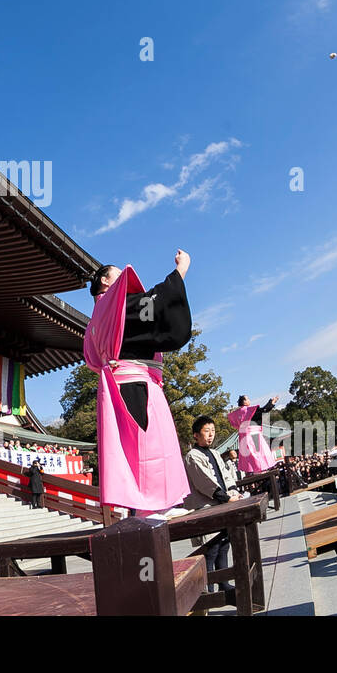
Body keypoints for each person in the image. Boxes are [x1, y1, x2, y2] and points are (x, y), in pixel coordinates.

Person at [83, 252, 193, 519]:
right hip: (134, 382)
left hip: (118, 384)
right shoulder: (115, 305)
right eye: (117, 274)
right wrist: (180, 272)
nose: (124, 278)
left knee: (135, 446)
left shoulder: (96, 321)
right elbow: (157, 302)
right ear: (105, 282)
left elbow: (93, 360)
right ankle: (149, 506)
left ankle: (147, 505)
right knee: (147, 444)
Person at [183, 415, 245, 595]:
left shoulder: (216, 453)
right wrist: (225, 497)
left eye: (213, 431)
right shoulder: (192, 456)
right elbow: (205, 483)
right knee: (211, 547)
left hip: (222, 503)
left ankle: (223, 582)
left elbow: (227, 476)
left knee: (224, 543)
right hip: (206, 506)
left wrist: (233, 492)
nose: (210, 435)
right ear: (196, 435)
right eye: (206, 431)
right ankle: (208, 586)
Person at [228, 393, 279, 475]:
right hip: (253, 433)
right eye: (247, 399)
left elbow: (233, 423)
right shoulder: (249, 410)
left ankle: (255, 471)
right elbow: (264, 410)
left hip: (243, 436)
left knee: (250, 455)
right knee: (259, 452)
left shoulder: (236, 413)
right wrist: (272, 402)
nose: (249, 400)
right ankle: (260, 470)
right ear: (244, 401)